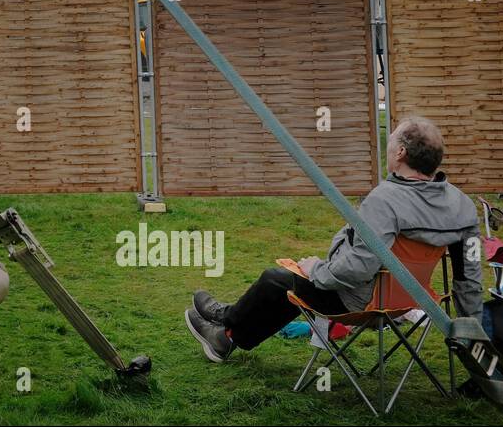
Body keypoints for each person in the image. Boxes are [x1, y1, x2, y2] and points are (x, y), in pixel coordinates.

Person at [184, 115, 482, 362]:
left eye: (391, 139)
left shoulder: (386, 201)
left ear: (401, 152)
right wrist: (476, 347)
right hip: (407, 302)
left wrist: (317, 270)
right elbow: (469, 279)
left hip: (360, 302)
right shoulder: (463, 207)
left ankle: (225, 327)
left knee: (278, 280)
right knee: (291, 286)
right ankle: (225, 332)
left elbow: (357, 268)